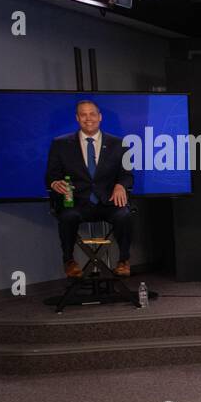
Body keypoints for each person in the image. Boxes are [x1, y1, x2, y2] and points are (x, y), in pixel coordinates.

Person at [45, 99, 134, 278]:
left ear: (100, 117)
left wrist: (120, 185)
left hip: (107, 201)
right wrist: (54, 183)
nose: (88, 118)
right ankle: (69, 261)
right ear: (77, 118)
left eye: (92, 114)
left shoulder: (119, 143)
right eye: (83, 115)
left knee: (124, 215)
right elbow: (51, 176)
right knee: (67, 217)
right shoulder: (60, 144)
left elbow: (127, 174)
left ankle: (124, 260)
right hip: (77, 202)